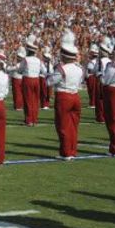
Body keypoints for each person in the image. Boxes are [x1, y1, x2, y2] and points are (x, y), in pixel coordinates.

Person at [48, 31, 84, 159]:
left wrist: (51, 70)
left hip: (64, 97)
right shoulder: (79, 68)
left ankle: (66, 152)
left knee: (63, 125)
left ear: (63, 56)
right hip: (75, 96)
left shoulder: (61, 68)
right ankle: (72, 151)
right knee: (73, 125)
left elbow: (49, 82)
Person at [19, 35, 43, 125]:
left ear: (28, 50)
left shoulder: (25, 59)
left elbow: (20, 70)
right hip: (36, 79)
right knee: (35, 100)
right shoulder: (38, 60)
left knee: (28, 100)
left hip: (27, 79)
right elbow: (43, 70)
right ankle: (34, 119)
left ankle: (29, 120)